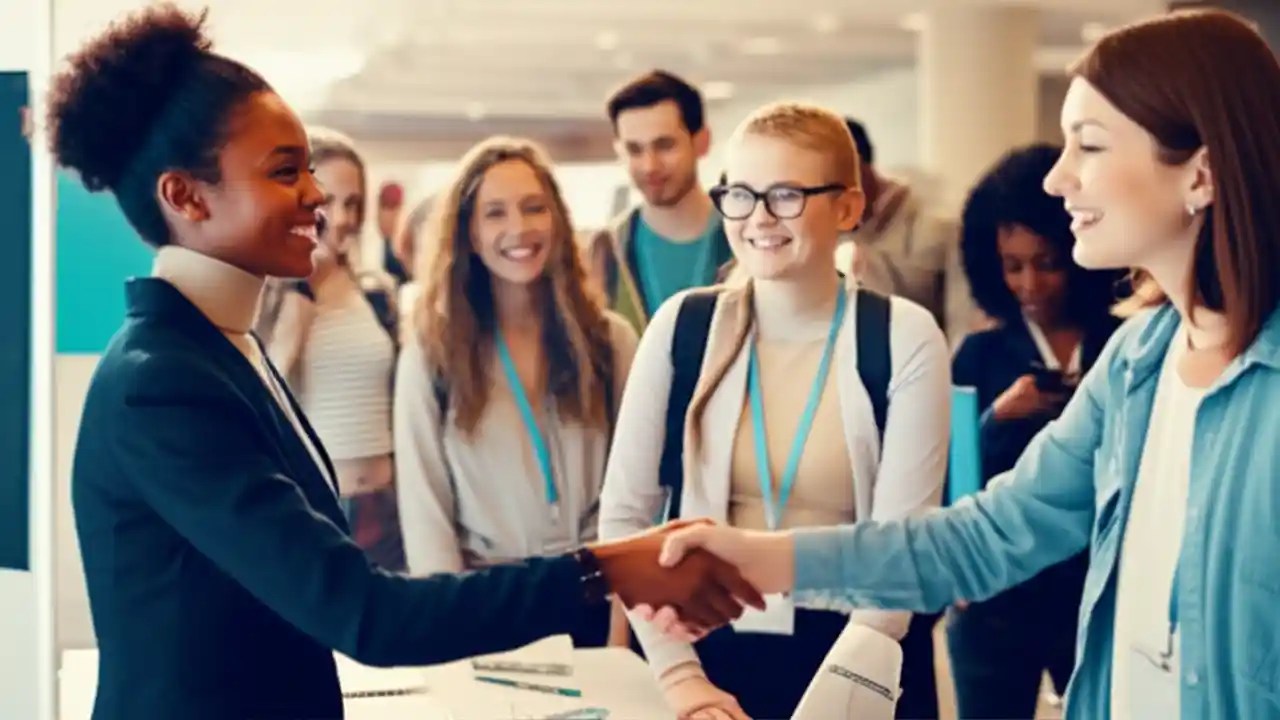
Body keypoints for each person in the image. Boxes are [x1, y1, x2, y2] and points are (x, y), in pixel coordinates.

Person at [50, 6, 763, 719]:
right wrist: (603, 568)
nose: (316, 194)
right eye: (284, 171)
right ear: (184, 195)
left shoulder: (220, 346)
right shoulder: (163, 382)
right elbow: (366, 614)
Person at [647, 9, 1280, 720]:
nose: (1057, 180)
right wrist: (762, 559)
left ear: (1202, 174)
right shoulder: (1140, 362)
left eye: (1089, 147)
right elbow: (984, 537)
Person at [599, 102, 950, 720]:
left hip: (862, 651)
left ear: (847, 206)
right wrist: (682, 681)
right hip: (711, 654)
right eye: (740, 194)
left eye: (786, 195)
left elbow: (904, 549)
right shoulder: (684, 327)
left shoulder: (902, 338)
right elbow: (625, 518)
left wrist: (840, 693)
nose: (758, 218)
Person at [394, 136, 638, 649]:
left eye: (534, 209)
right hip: (486, 600)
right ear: (470, 235)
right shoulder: (434, 350)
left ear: (558, 221)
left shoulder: (609, 340)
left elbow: (637, 495)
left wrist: (623, 632)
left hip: (595, 593)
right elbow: (425, 507)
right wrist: (449, 634)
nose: (519, 229)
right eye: (495, 213)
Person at [946, 143, 1124, 719]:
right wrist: (998, 418)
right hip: (998, 592)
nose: (1031, 283)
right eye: (1012, 264)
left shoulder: (1125, 343)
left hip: (1095, 586)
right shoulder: (980, 353)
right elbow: (953, 469)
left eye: (1047, 262)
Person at [258, 127, 404, 571]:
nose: (342, 217)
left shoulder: (377, 294)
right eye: (329, 200)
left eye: (354, 203)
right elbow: (264, 397)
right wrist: (300, 297)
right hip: (316, 507)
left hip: (386, 508)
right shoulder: (267, 293)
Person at [588, 70, 734, 333]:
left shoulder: (746, 238)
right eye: (634, 150)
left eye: (665, 145)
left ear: (702, 142)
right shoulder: (606, 253)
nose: (650, 165)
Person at [833, 118, 977, 341]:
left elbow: (962, 322)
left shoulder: (938, 225)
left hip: (927, 365)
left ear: (857, 164)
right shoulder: (830, 232)